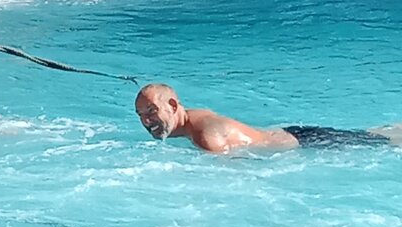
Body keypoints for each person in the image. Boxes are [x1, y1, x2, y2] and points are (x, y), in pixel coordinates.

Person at [134, 82, 399, 154]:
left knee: (383, 142)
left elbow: (238, 175)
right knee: (374, 135)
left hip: (302, 143)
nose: (146, 121)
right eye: (141, 115)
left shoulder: (205, 137)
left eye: (152, 111)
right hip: (289, 134)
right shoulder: (191, 119)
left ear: (173, 105)